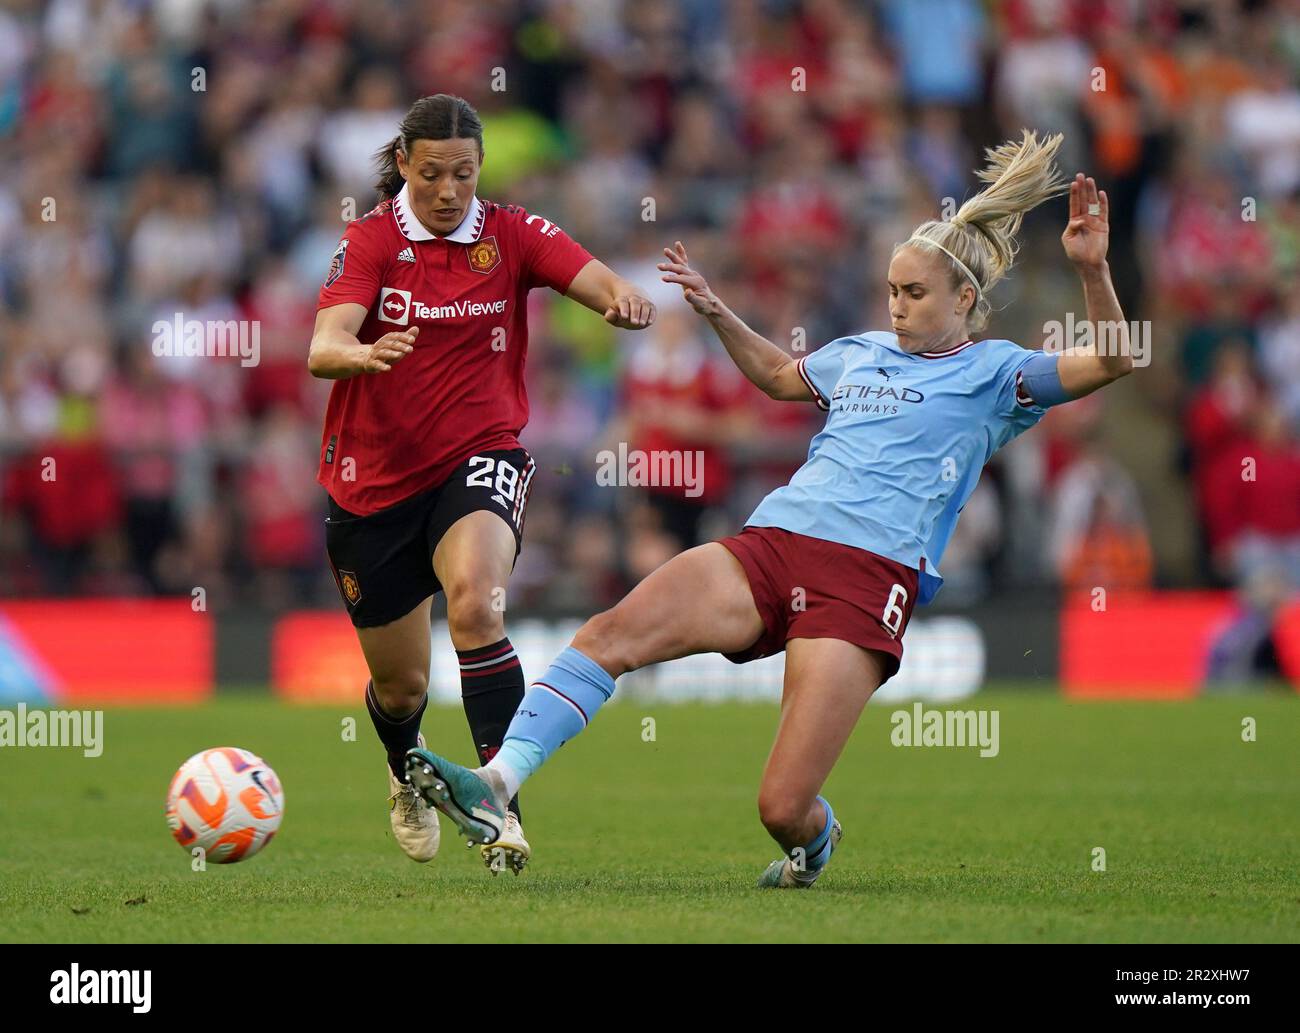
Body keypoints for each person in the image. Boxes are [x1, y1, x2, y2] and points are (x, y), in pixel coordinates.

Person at [406, 130, 1134, 887]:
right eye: (892, 290)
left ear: (966, 301)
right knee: (610, 633)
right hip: (775, 541)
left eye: (915, 294)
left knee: (783, 807)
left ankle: (816, 840)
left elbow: (1113, 360)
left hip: (865, 579)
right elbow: (783, 377)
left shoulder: (997, 373)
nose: (898, 306)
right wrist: (720, 313)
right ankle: (497, 785)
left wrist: (1093, 270)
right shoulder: (861, 350)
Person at [307, 94, 656, 874]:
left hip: (479, 456)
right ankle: (406, 769)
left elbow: (590, 275)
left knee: (474, 599)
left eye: (463, 174)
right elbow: (323, 343)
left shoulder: (512, 232)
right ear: (403, 164)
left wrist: (620, 301)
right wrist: (357, 355)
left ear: (480, 169)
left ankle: (501, 804)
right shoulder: (367, 243)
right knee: (400, 688)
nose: (447, 191)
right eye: (431, 174)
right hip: (371, 486)